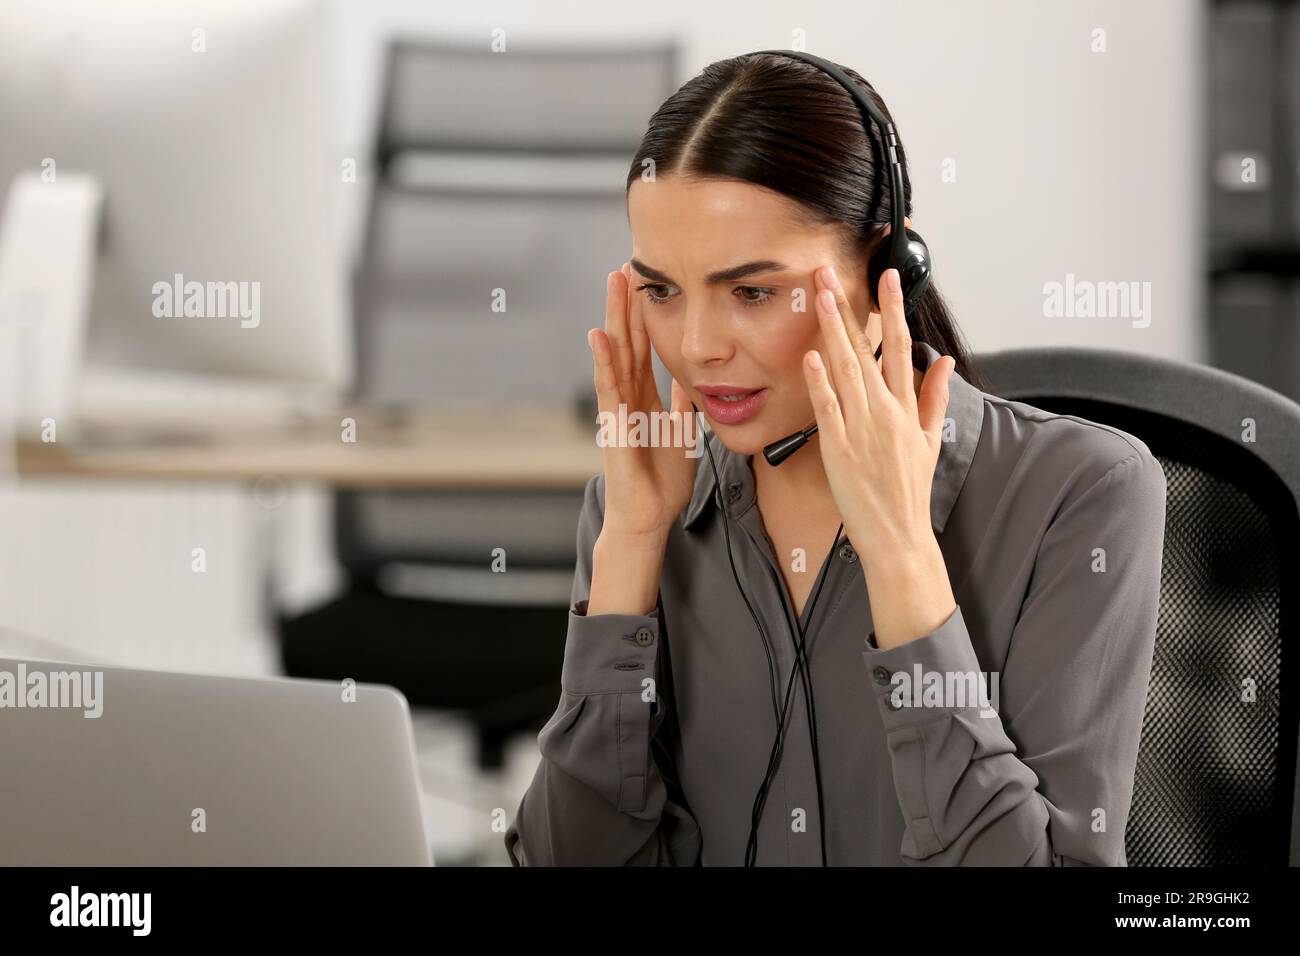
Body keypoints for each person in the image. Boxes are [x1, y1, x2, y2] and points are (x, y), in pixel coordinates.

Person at [504, 51, 1166, 866]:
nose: (698, 348)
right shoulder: (635, 509)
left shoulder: (1081, 494)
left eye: (751, 292)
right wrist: (635, 548)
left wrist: (901, 556)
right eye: (663, 292)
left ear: (889, 270)